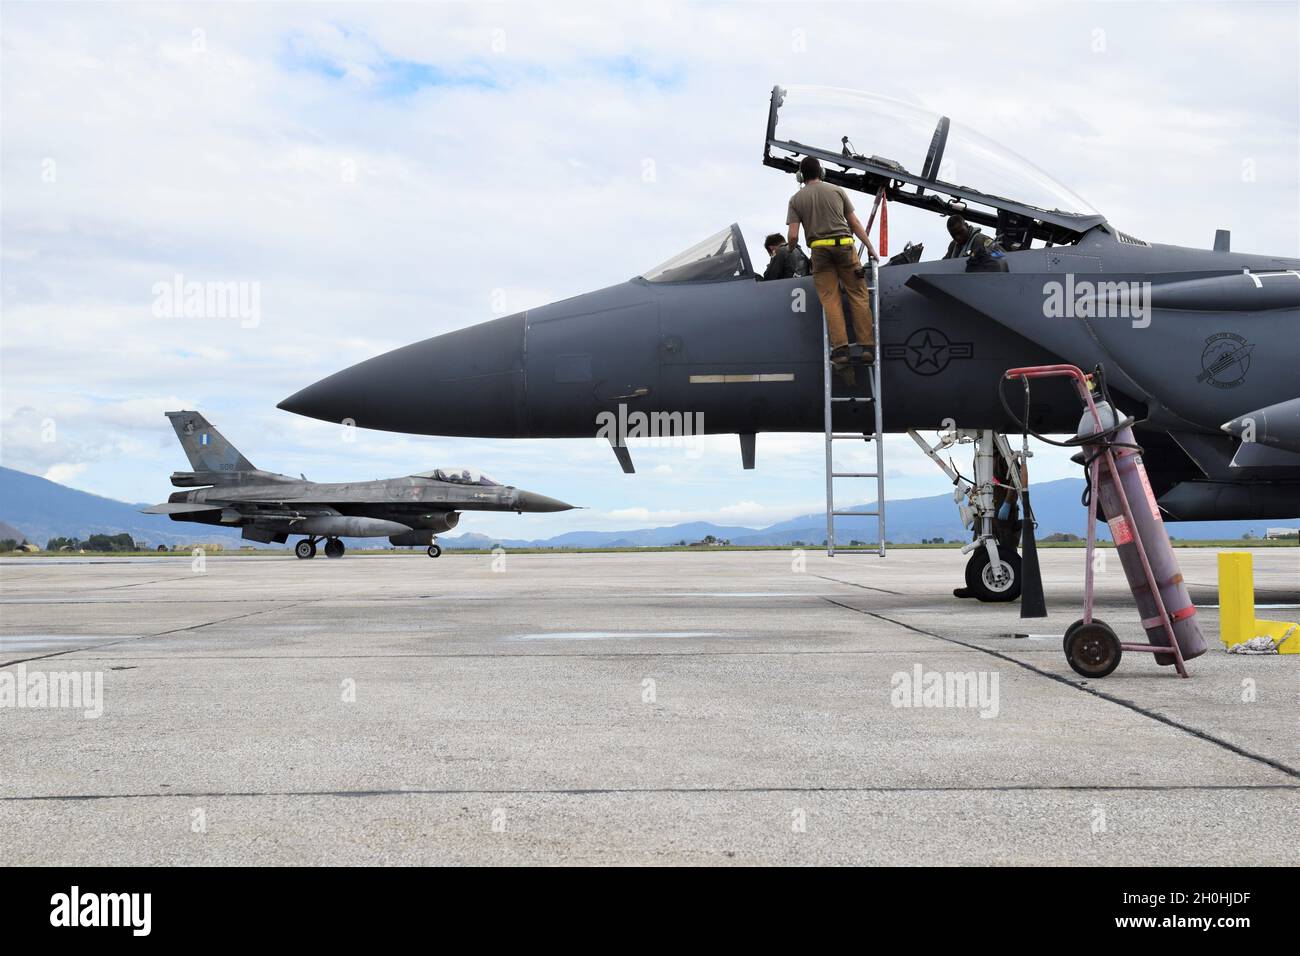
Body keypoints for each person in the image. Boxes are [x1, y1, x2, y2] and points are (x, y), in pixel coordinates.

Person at [785, 157, 878, 365]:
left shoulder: (796, 199)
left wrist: (789, 250)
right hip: (845, 246)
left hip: (819, 252)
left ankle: (841, 350)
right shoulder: (837, 190)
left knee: (830, 300)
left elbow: (792, 236)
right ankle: (866, 347)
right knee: (858, 294)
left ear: (801, 176)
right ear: (822, 172)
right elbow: (854, 223)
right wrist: (870, 247)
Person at [942, 215, 1008, 272]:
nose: (958, 237)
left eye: (960, 232)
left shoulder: (981, 241)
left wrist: (983, 262)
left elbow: (1003, 257)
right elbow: (943, 264)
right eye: (954, 235)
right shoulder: (953, 245)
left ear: (966, 225)